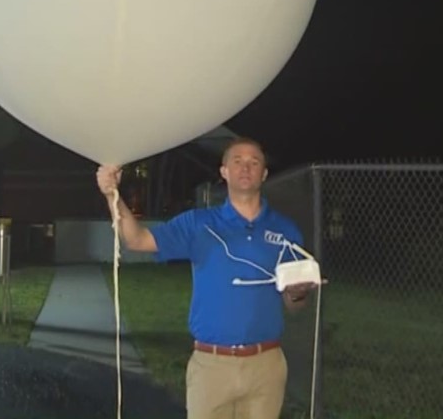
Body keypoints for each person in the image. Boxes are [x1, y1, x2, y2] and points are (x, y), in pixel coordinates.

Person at [96, 136, 316, 419]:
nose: (245, 168)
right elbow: (137, 240)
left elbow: (295, 304)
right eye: (237, 161)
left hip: (267, 366)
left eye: (254, 162)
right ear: (224, 172)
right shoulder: (198, 224)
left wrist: (298, 294)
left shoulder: (286, 232)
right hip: (212, 366)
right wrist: (111, 193)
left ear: (264, 173)